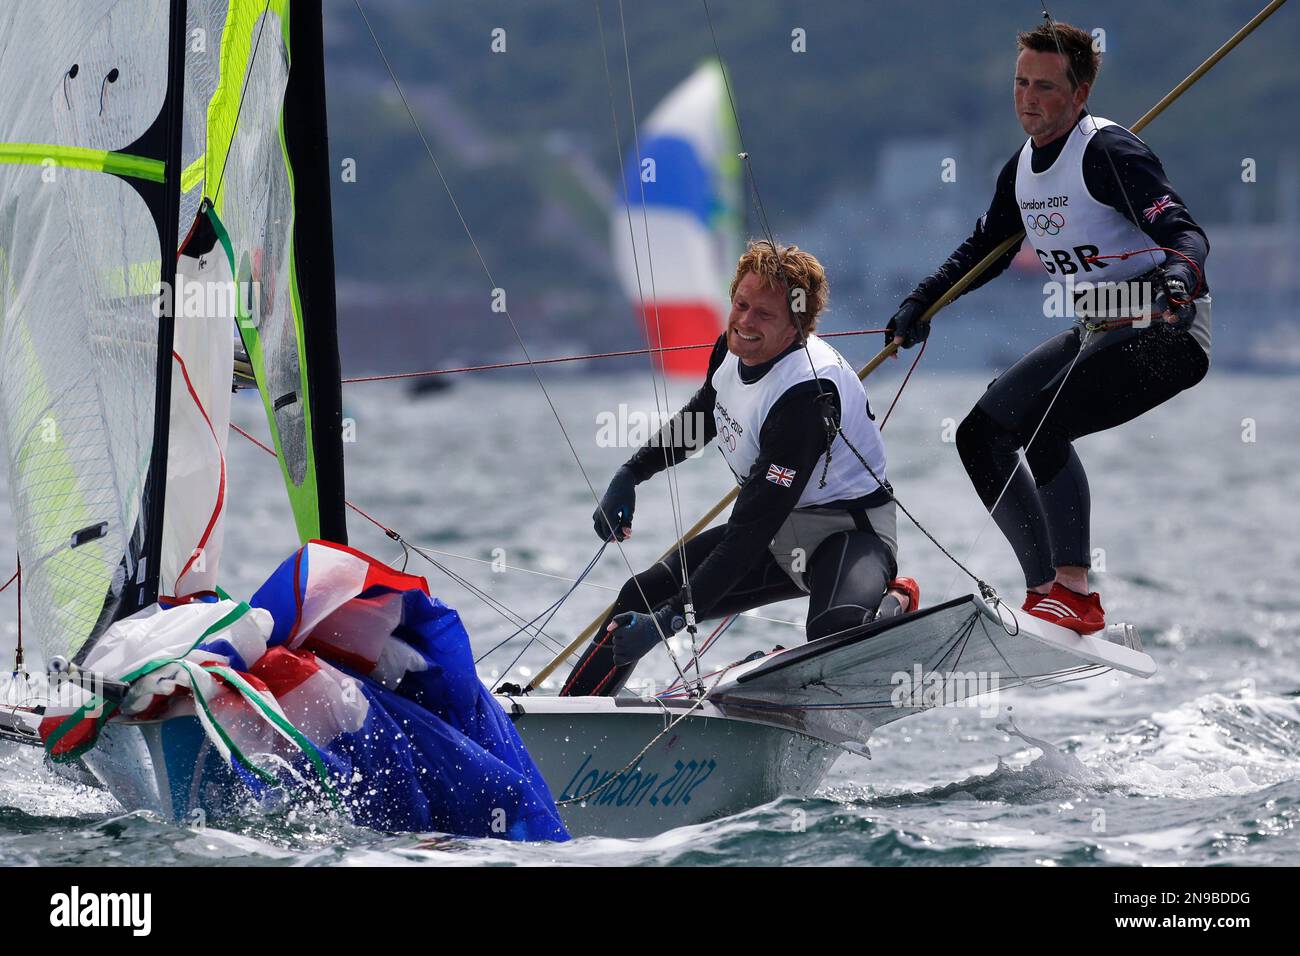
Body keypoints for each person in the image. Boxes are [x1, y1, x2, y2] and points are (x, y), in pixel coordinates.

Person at [886, 20, 1210, 634]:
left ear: (1081, 93)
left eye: (1045, 87)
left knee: (1043, 420)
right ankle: (1045, 594)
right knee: (981, 434)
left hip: (1167, 333)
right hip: (1097, 329)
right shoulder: (1022, 171)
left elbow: (1187, 234)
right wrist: (920, 304)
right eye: (1020, 83)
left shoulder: (1111, 153)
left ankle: (1077, 592)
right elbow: (985, 249)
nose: (1028, 99)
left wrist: (1179, 278)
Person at [562, 240, 917, 698]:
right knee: (638, 595)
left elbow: (747, 535)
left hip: (848, 534)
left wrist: (667, 623)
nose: (745, 323)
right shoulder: (732, 350)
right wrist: (630, 474)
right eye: (741, 304)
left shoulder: (806, 397)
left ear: (797, 325)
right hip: (776, 531)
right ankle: (570, 717)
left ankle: (897, 600)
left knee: (834, 632)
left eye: (764, 315)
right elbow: (701, 419)